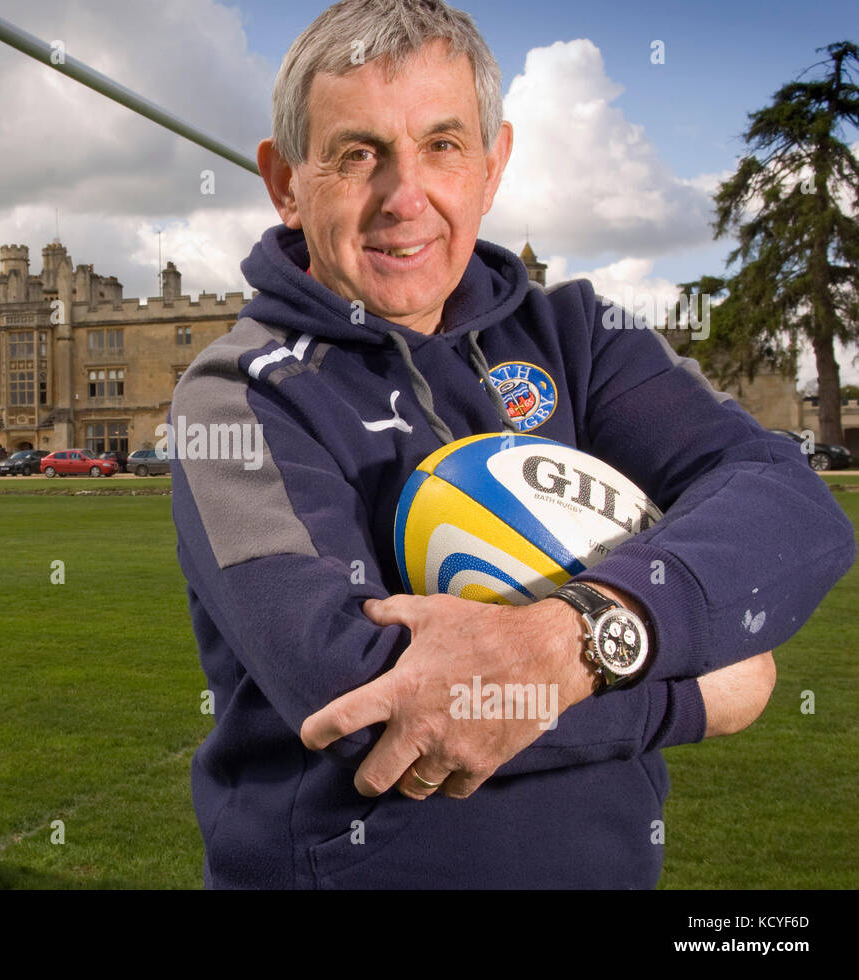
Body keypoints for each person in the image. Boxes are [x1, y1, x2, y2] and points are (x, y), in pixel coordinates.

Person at [169, 0, 854, 889]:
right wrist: (688, 696)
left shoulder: (582, 337)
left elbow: (791, 506)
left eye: (443, 146)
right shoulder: (236, 395)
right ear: (284, 182)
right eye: (357, 154)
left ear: (493, 166)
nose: (403, 196)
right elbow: (363, 703)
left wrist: (580, 640)